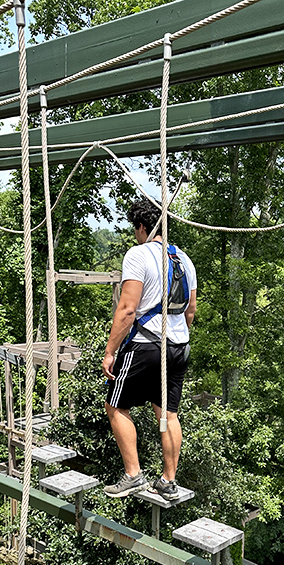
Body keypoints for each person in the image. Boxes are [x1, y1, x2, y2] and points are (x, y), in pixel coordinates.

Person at [102, 197, 197, 500]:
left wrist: (110, 351)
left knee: (116, 405)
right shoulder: (184, 259)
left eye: (135, 228)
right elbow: (190, 310)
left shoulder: (138, 255)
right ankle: (168, 480)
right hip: (178, 345)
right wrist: (175, 339)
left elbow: (128, 309)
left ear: (142, 226)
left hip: (146, 344)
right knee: (167, 413)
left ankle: (133, 474)